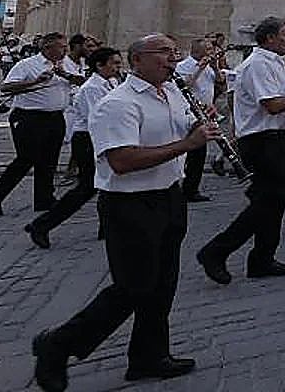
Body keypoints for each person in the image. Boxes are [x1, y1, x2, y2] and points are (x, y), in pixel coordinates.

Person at [31, 35, 219, 391]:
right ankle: (58, 344)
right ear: (137, 60)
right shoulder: (117, 103)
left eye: (173, 52)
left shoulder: (172, 92)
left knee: (163, 285)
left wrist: (196, 126)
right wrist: (187, 144)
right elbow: (122, 160)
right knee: (133, 287)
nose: (172, 59)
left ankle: (149, 356)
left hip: (169, 196)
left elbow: (176, 131)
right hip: (130, 204)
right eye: (163, 53)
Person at [197, 17, 285, 285]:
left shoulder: (274, 63)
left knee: (274, 201)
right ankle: (216, 251)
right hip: (262, 140)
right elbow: (273, 105)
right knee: (268, 202)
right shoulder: (258, 65)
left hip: (276, 138)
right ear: (269, 38)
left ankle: (262, 258)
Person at [25, 47, 123, 249]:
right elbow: (98, 118)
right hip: (88, 138)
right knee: (87, 187)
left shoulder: (111, 83)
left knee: (105, 184)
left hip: (100, 136)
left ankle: (107, 228)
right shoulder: (92, 88)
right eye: (114, 63)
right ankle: (42, 225)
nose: (118, 67)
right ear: (99, 65)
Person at [0, 32, 84, 216]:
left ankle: (44, 198)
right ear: (47, 47)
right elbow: (6, 87)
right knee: (26, 158)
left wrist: (65, 74)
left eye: (66, 47)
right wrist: (35, 81)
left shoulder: (67, 64)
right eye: (61, 47)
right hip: (29, 118)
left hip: (55, 117)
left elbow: (81, 80)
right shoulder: (27, 65)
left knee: (50, 159)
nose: (65, 50)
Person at [175, 38, 226, 203]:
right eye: (209, 49)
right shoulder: (183, 66)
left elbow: (220, 83)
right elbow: (185, 86)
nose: (212, 52)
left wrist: (215, 67)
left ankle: (191, 189)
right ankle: (182, 187)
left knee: (199, 154)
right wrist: (200, 68)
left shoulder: (210, 67)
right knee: (190, 152)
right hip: (189, 113)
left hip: (206, 113)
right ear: (197, 51)